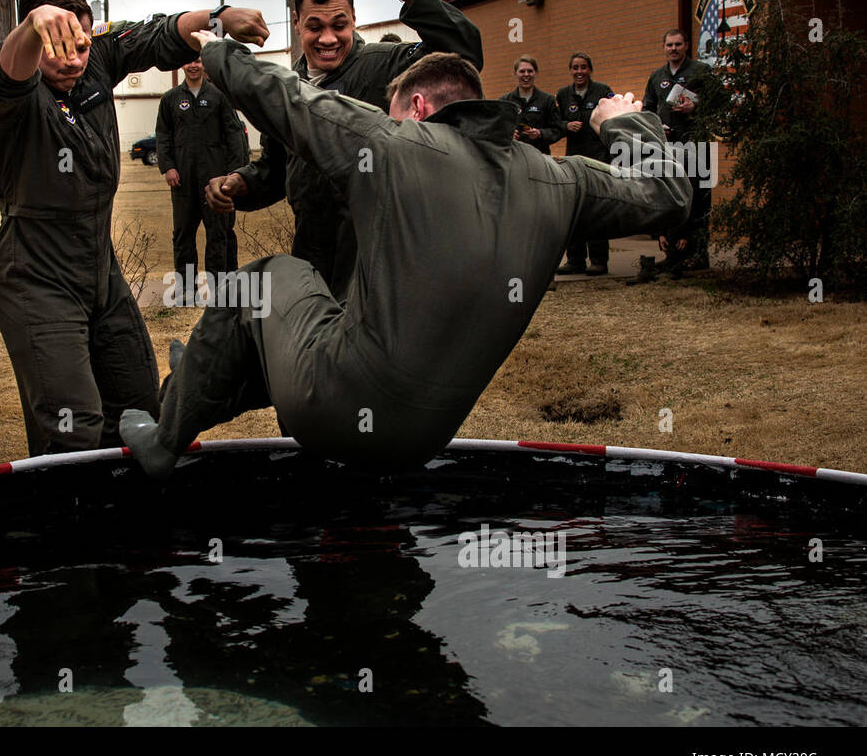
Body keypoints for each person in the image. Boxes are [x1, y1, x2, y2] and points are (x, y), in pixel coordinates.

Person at [120, 36, 690, 479]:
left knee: (277, 277)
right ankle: (206, 367)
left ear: (415, 106)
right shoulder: (560, 181)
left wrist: (214, 44)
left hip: (335, 410)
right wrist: (621, 120)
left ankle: (164, 440)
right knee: (322, 314)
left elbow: (289, 98)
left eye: (393, 111)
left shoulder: (394, 145)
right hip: (426, 439)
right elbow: (669, 195)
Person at [0, 0, 268, 456]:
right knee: (73, 428)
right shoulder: (8, 98)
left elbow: (157, 36)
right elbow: (8, 72)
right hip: (36, 276)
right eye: (56, 47)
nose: (72, 59)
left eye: (81, 46)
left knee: (138, 407)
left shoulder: (95, 65)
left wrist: (218, 18)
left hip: (100, 273)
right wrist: (32, 28)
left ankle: (131, 524)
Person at [204, 0, 483, 299]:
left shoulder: (386, 66)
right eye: (315, 26)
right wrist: (242, 183)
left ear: (354, 17)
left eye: (340, 24)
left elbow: (463, 54)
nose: (328, 39)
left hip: (376, 262)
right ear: (297, 23)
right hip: (313, 262)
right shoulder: (288, 91)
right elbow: (275, 168)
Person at [156, 58, 248, 301]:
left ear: (204, 63)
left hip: (215, 181)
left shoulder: (219, 96)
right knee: (183, 234)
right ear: (182, 66)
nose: (193, 66)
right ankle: (186, 290)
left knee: (220, 232)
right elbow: (163, 135)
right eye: (187, 62)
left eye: (197, 60)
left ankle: (223, 290)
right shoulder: (170, 99)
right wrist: (168, 167)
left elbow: (234, 134)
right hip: (183, 181)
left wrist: (233, 174)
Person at [641, 28, 718, 277]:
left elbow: (722, 100)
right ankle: (672, 254)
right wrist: (656, 125)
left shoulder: (701, 72)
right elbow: (647, 108)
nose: (673, 49)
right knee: (670, 194)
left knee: (698, 196)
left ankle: (697, 254)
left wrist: (696, 107)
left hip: (695, 144)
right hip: (668, 147)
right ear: (663, 48)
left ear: (686, 46)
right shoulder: (657, 76)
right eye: (669, 45)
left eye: (677, 44)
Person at [554, 52, 616, 275]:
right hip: (574, 159)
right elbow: (554, 123)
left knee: (598, 209)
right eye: (575, 68)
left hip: (598, 157)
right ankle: (575, 260)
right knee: (575, 209)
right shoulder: (563, 94)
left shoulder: (602, 91)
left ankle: (599, 260)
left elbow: (615, 117)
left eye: (583, 67)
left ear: (590, 70)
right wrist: (565, 126)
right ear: (571, 71)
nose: (579, 72)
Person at [500, 55, 563, 155]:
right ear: (515, 73)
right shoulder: (505, 102)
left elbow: (558, 130)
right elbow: (497, 130)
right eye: (522, 71)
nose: (526, 74)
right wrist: (508, 135)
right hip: (514, 157)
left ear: (536, 73)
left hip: (540, 157)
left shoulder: (547, 100)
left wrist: (540, 133)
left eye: (530, 71)